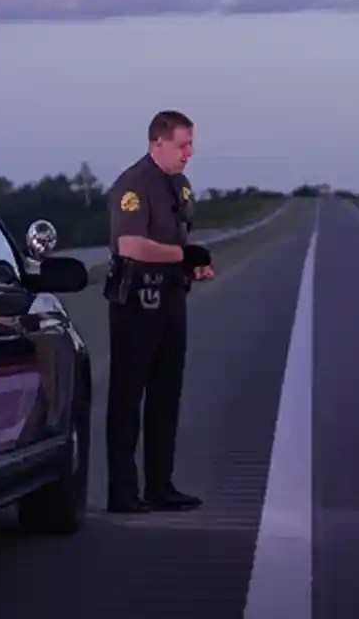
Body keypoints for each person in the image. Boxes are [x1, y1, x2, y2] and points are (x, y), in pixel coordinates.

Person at [102, 109, 214, 513]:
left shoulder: (179, 186)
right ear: (157, 143)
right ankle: (123, 490)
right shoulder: (133, 185)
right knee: (129, 396)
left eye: (190, 145)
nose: (189, 153)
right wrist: (182, 254)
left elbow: (177, 239)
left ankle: (160, 485)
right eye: (182, 145)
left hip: (169, 297)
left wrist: (192, 263)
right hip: (136, 300)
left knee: (167, 395)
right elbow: (130, 244)